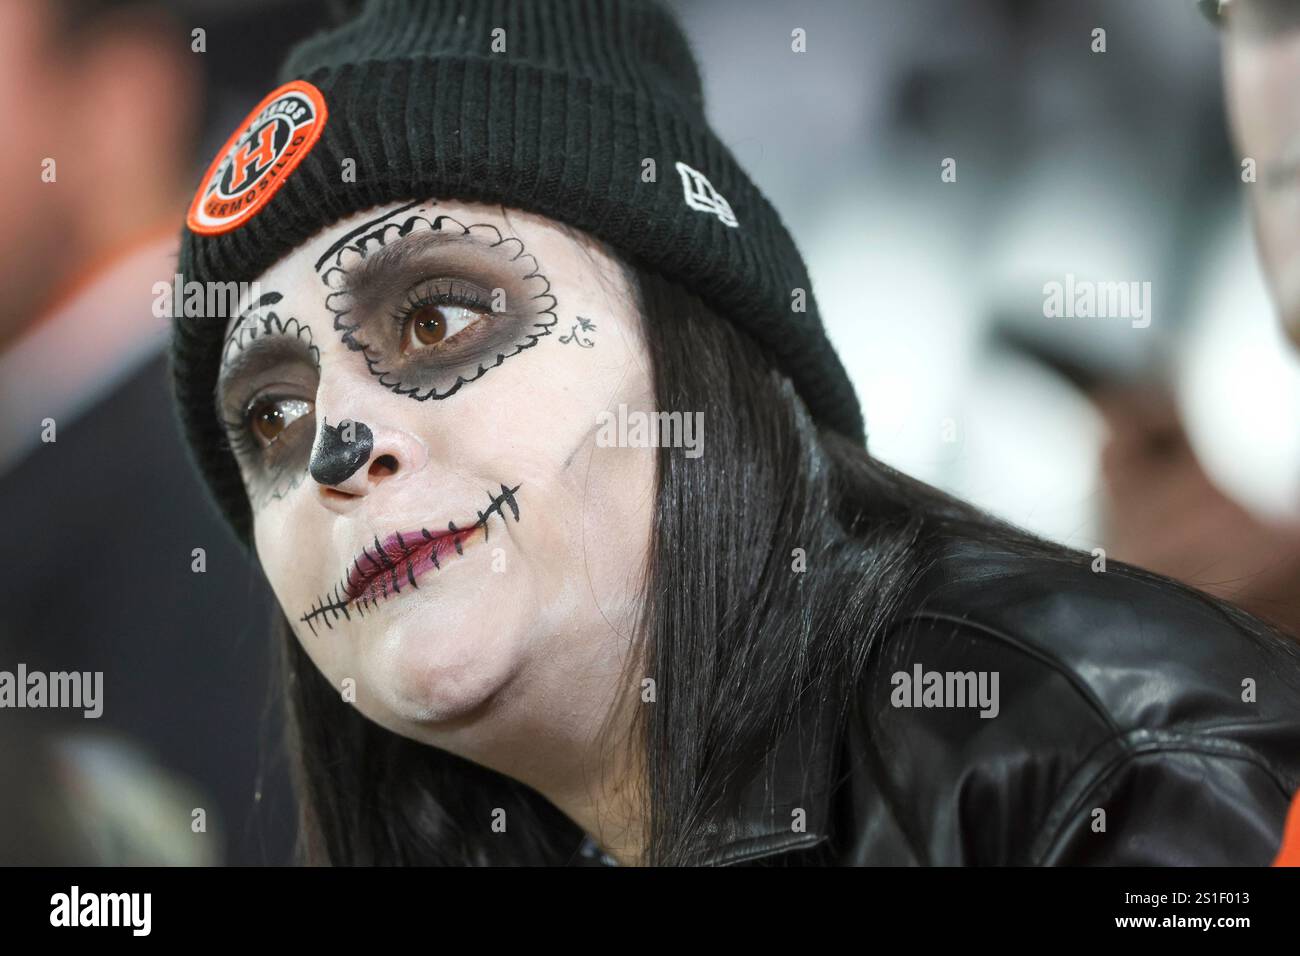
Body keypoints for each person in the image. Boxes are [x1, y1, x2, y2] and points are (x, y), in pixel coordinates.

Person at [168, 0, 1300, 866]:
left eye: (437, 318)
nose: (337, 446)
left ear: (698, 350)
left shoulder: (1105, 765)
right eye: (271, 417)